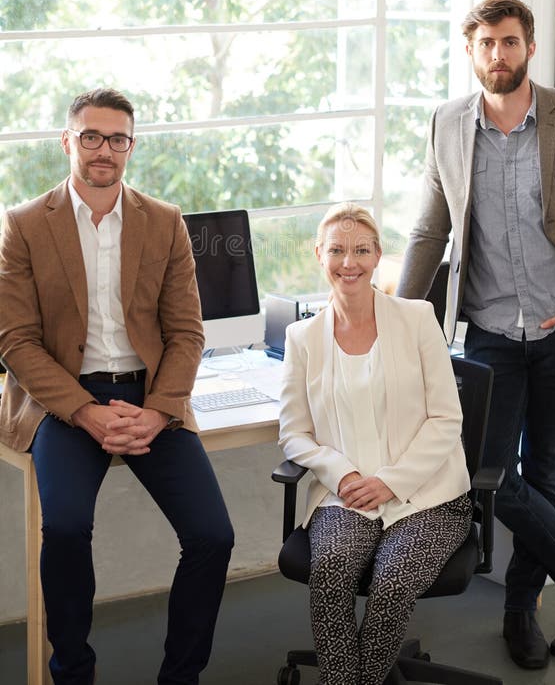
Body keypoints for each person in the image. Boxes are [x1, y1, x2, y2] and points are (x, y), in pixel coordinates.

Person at [0, 88, 234, 685]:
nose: (104, 150)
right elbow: (16, 341)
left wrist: (158, 411)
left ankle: (180, 676)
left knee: (212, 535)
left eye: (117, 139)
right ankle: (73, 671)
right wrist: (84, 411)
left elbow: (186, 332)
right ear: (67, 140)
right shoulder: (24, 225)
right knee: (68, 527)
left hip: (149, 400)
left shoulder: (165, 221)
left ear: (132, 145)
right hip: (64, 404)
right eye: (91, 136)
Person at [396, 0, 555, 670]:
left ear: (529, 47)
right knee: (486, 473)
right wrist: (403, 320)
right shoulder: (447, 124)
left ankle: (520, 614)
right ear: (469, 51)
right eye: (484, 43)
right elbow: (431, 229)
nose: (497, 54)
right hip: (485, 327)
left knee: (542, 471)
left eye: (508, 41)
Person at [279, 202, 472, 685]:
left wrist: (390, 482)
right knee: (332, 572)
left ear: (378, 256)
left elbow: (447, 419)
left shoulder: (417, 318)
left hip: (428, 496)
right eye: (338, 250)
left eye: (362, 250)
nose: (350, 262)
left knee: (392, 582)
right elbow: (294, 432)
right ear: (319, 255)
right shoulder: (302, 338)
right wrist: (340, 473)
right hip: (346, 497)